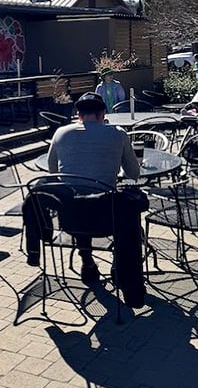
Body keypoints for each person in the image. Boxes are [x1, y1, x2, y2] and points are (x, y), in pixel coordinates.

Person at [23, 92, 147, 308]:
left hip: (70, 219)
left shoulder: (61, 133)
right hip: (108, 217)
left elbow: (53, 172)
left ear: (78, 115)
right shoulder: (118, 133)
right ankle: (121, 267)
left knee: (78, 198)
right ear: (103, 114)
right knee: (123, 208)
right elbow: (133, 173)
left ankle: (87, 262)